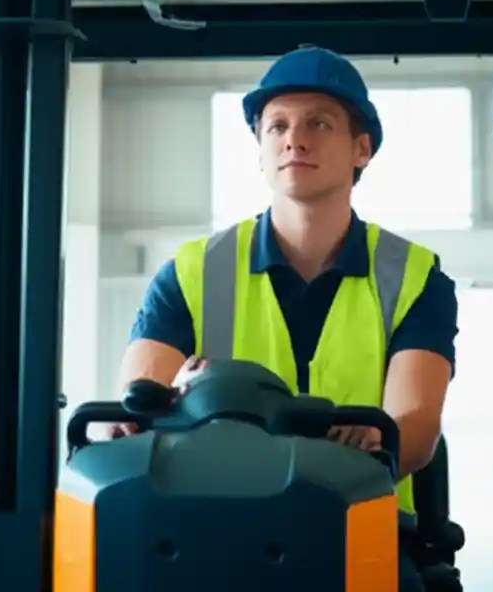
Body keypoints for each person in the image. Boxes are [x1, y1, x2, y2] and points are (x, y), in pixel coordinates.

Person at [114, 46, 458, 590]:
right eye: (276, 126)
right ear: (259, 150)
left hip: (360, 522)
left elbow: (414, 424)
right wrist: (157, 402)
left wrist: (375, 437)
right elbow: (138, 399)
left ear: (361, 149)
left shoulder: (414, 277)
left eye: (318, 123)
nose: (294, 139)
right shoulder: (194, 271)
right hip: (211, 523)